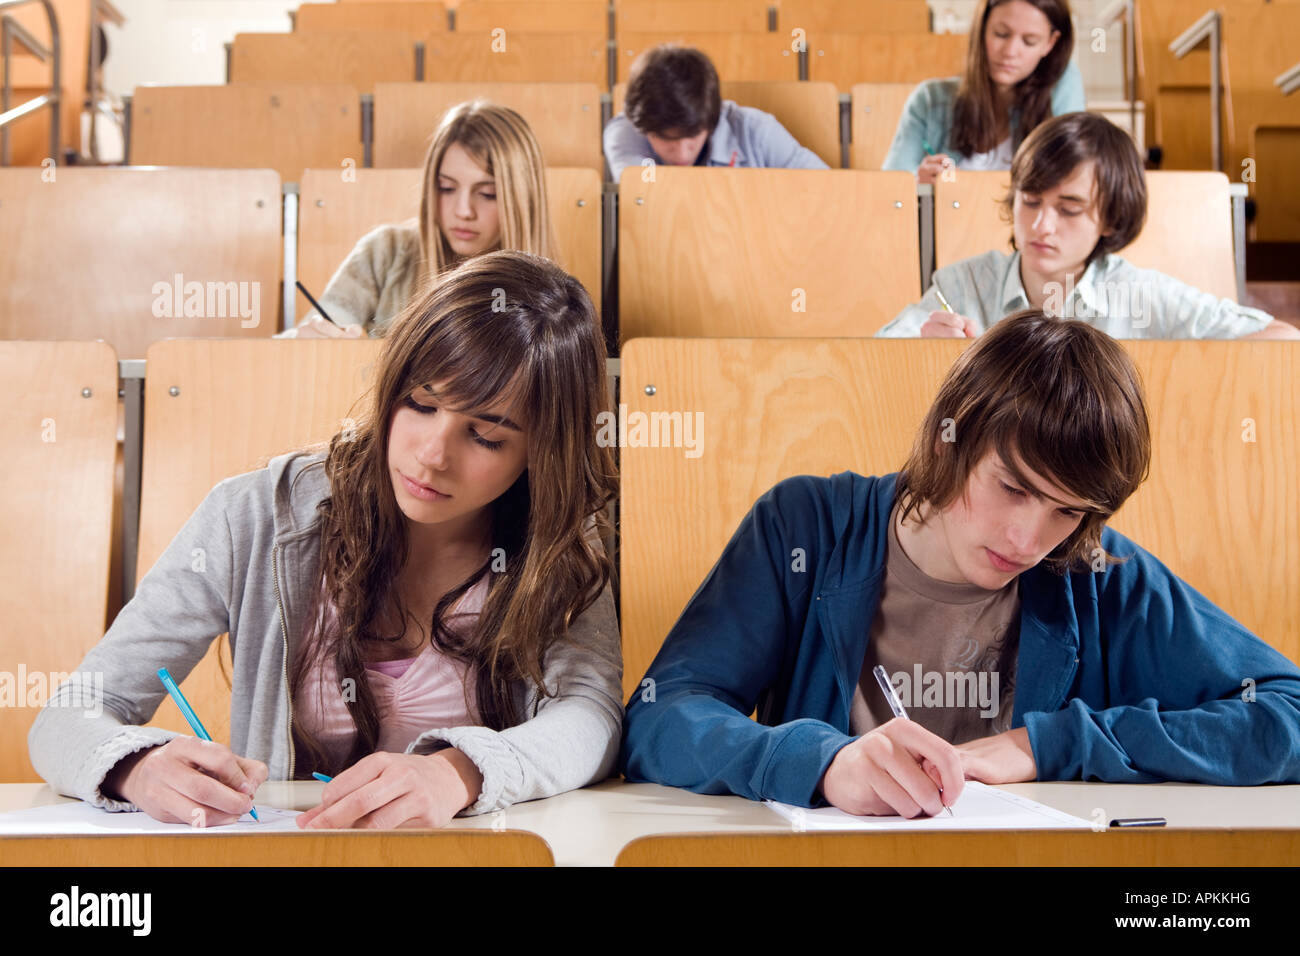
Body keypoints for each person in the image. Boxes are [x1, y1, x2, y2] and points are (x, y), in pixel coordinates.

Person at [621, 312, 1300, 816]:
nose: (1030, 538)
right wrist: (820, 761)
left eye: (1067, 511)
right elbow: (661, 715)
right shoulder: (804, 525)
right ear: (953, 440)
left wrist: (1049, 745)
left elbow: (1288, 714)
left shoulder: (1098, 575)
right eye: (1013, 487)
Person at [30, 251, 622, 829]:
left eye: (487, 436)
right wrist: (137, 765)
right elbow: (68, 715)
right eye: (420, 403)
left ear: (541, 452)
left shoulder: (559, 542)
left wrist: (461, 772)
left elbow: (591, 718)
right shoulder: (256, 514)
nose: (432, 455)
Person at [878, 112, 1300, 339]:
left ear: (1111, 217)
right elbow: (880, 353)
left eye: (1070, 208)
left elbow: (1280, 339)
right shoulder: (962, 286)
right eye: (1030, 201)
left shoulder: (1142, 296)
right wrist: (922, 349)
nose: (1041, 225)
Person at [281, 101, 555, 339]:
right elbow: (305, 343)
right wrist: (312, 340)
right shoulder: (386, 253)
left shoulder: (552, 294)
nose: (463, 211)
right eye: (446, 188)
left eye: (488, 194)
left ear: (522, 200)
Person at [883, 0, 1083, 183]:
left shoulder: (1063, 86)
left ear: (1050, 43)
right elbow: (890, 186)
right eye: (1001, 34)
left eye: (1029, 41)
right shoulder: (929, 99)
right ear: (982, 29)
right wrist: (918, 183)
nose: (1010, 51)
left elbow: (1068, 179)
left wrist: (1065, 76)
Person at [603, 44, 829, 182]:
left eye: (692, 137)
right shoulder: (624, 133)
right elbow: (645, 200)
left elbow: (828, 189)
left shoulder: (757, 130)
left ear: (713, 120)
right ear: (643, 129)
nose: (682, 155)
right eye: (665, 139)